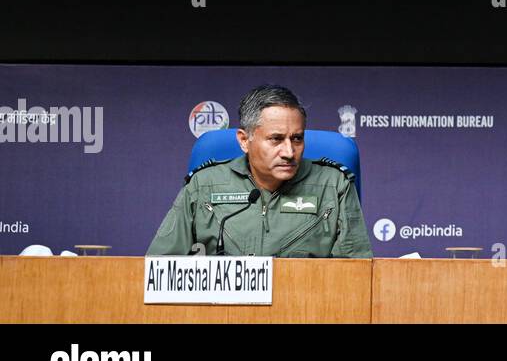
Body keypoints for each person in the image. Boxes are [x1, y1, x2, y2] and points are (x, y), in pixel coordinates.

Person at [147, 85, 373, 257]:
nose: (289, 151)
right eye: (276, 139)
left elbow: (357, 275)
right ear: (245, 140)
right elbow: (160, 267)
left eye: (297, 139)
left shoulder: (334, 185)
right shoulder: (204, 185)